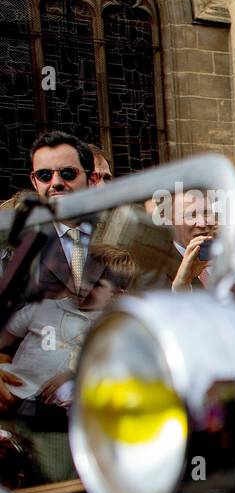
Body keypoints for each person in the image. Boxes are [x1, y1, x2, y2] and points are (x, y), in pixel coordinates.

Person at [0, 246, 136, 412]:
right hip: (14, 388)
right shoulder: (43, 308)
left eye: (95, 284)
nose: (83, 286)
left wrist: (73, 374)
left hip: (57, 409)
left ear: (116, 294)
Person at [27, 132, 102, 300]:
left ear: (92, 179)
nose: (56, 183)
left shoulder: (124, 234)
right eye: (44, 175)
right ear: (34, 181)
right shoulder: (18, 244)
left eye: (68, 173)